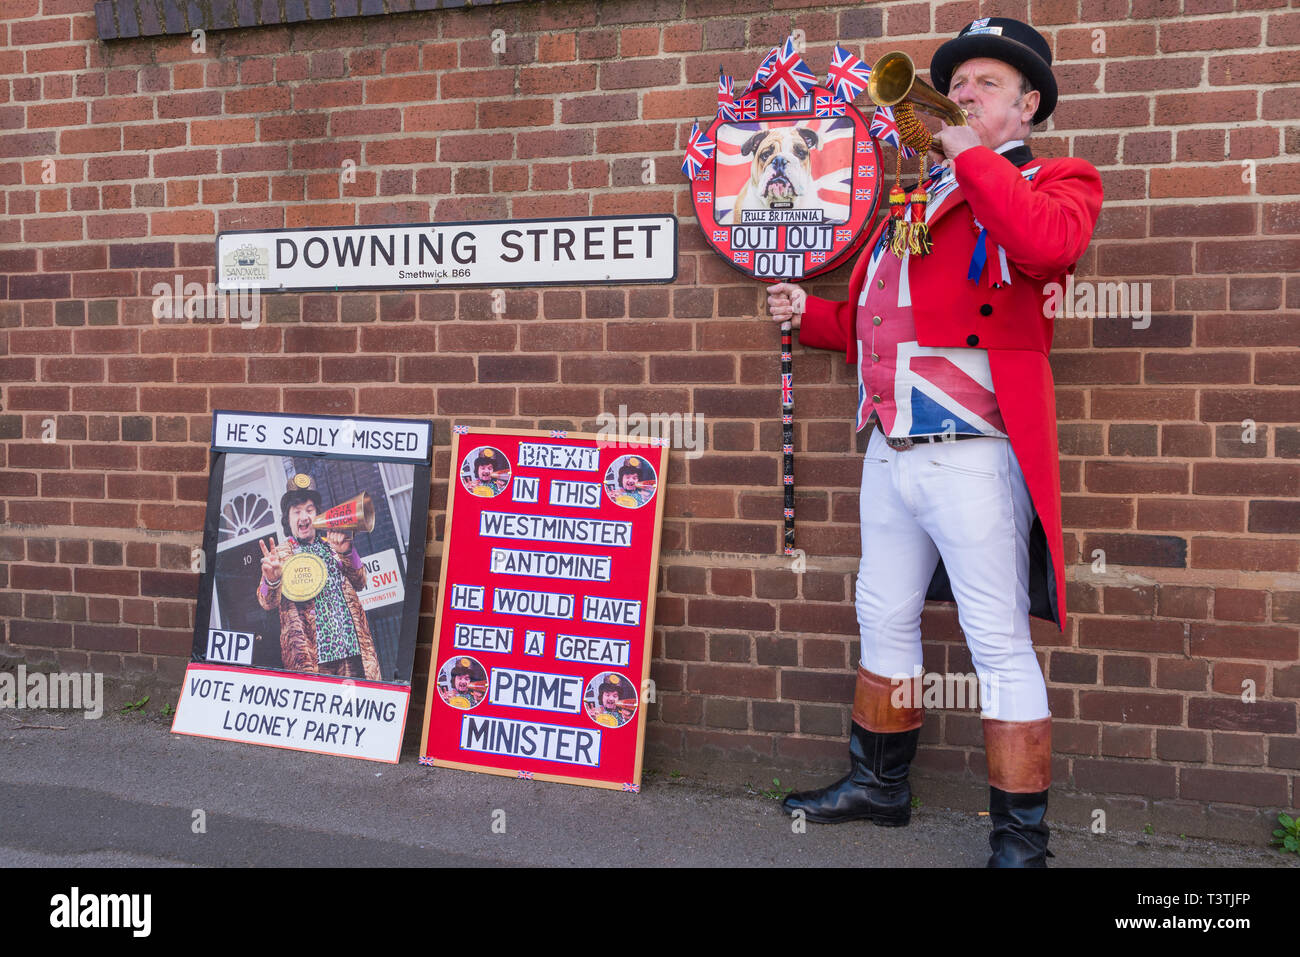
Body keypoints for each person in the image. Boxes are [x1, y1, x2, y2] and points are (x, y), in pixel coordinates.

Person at [768, 18, 1102, 867]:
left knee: (996, 638)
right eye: (956, 84)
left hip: (974, 447)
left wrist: (970, 159)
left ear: (1027, 105)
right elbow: (892, 326)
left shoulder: (1057, 180)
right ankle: (879, 785)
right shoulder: (922, 197)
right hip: (891, 444)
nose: (959, 94)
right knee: (880, 612)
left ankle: (1022, 840)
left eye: (984, 84)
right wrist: (811, 317)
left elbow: (1044, 246)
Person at [257, 473, 382, 681]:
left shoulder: (333, 545)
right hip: (313, 664)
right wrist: (271, 579)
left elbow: (360, 583)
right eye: (296, 512)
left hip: (353, 654)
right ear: (288, 519)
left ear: (317, 514)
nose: (303, 517)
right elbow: (266, 602)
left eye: (309, 510)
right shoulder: (278, 555)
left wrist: (348, 552)